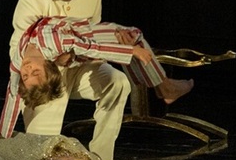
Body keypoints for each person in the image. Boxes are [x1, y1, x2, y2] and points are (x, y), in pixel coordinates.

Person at [0, 0, 131, 160]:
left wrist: (75, 57)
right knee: (41, 150)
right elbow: (18, 49)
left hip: (77, 67)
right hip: (45, 74)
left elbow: (90, 39)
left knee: (118, 81)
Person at [15, 16, 194, 112]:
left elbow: (11, 97)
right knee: (133, 36)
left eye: (26, 75)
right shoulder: (57, 43)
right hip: (82, 38)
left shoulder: (19, 59)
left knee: (130, 37)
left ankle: (157, 86)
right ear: (47, 65)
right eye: (35, 73)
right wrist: (131, 51)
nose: (28, 69)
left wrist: (1, 133)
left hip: (79, 35)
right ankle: (165, 87)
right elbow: (92, 48)